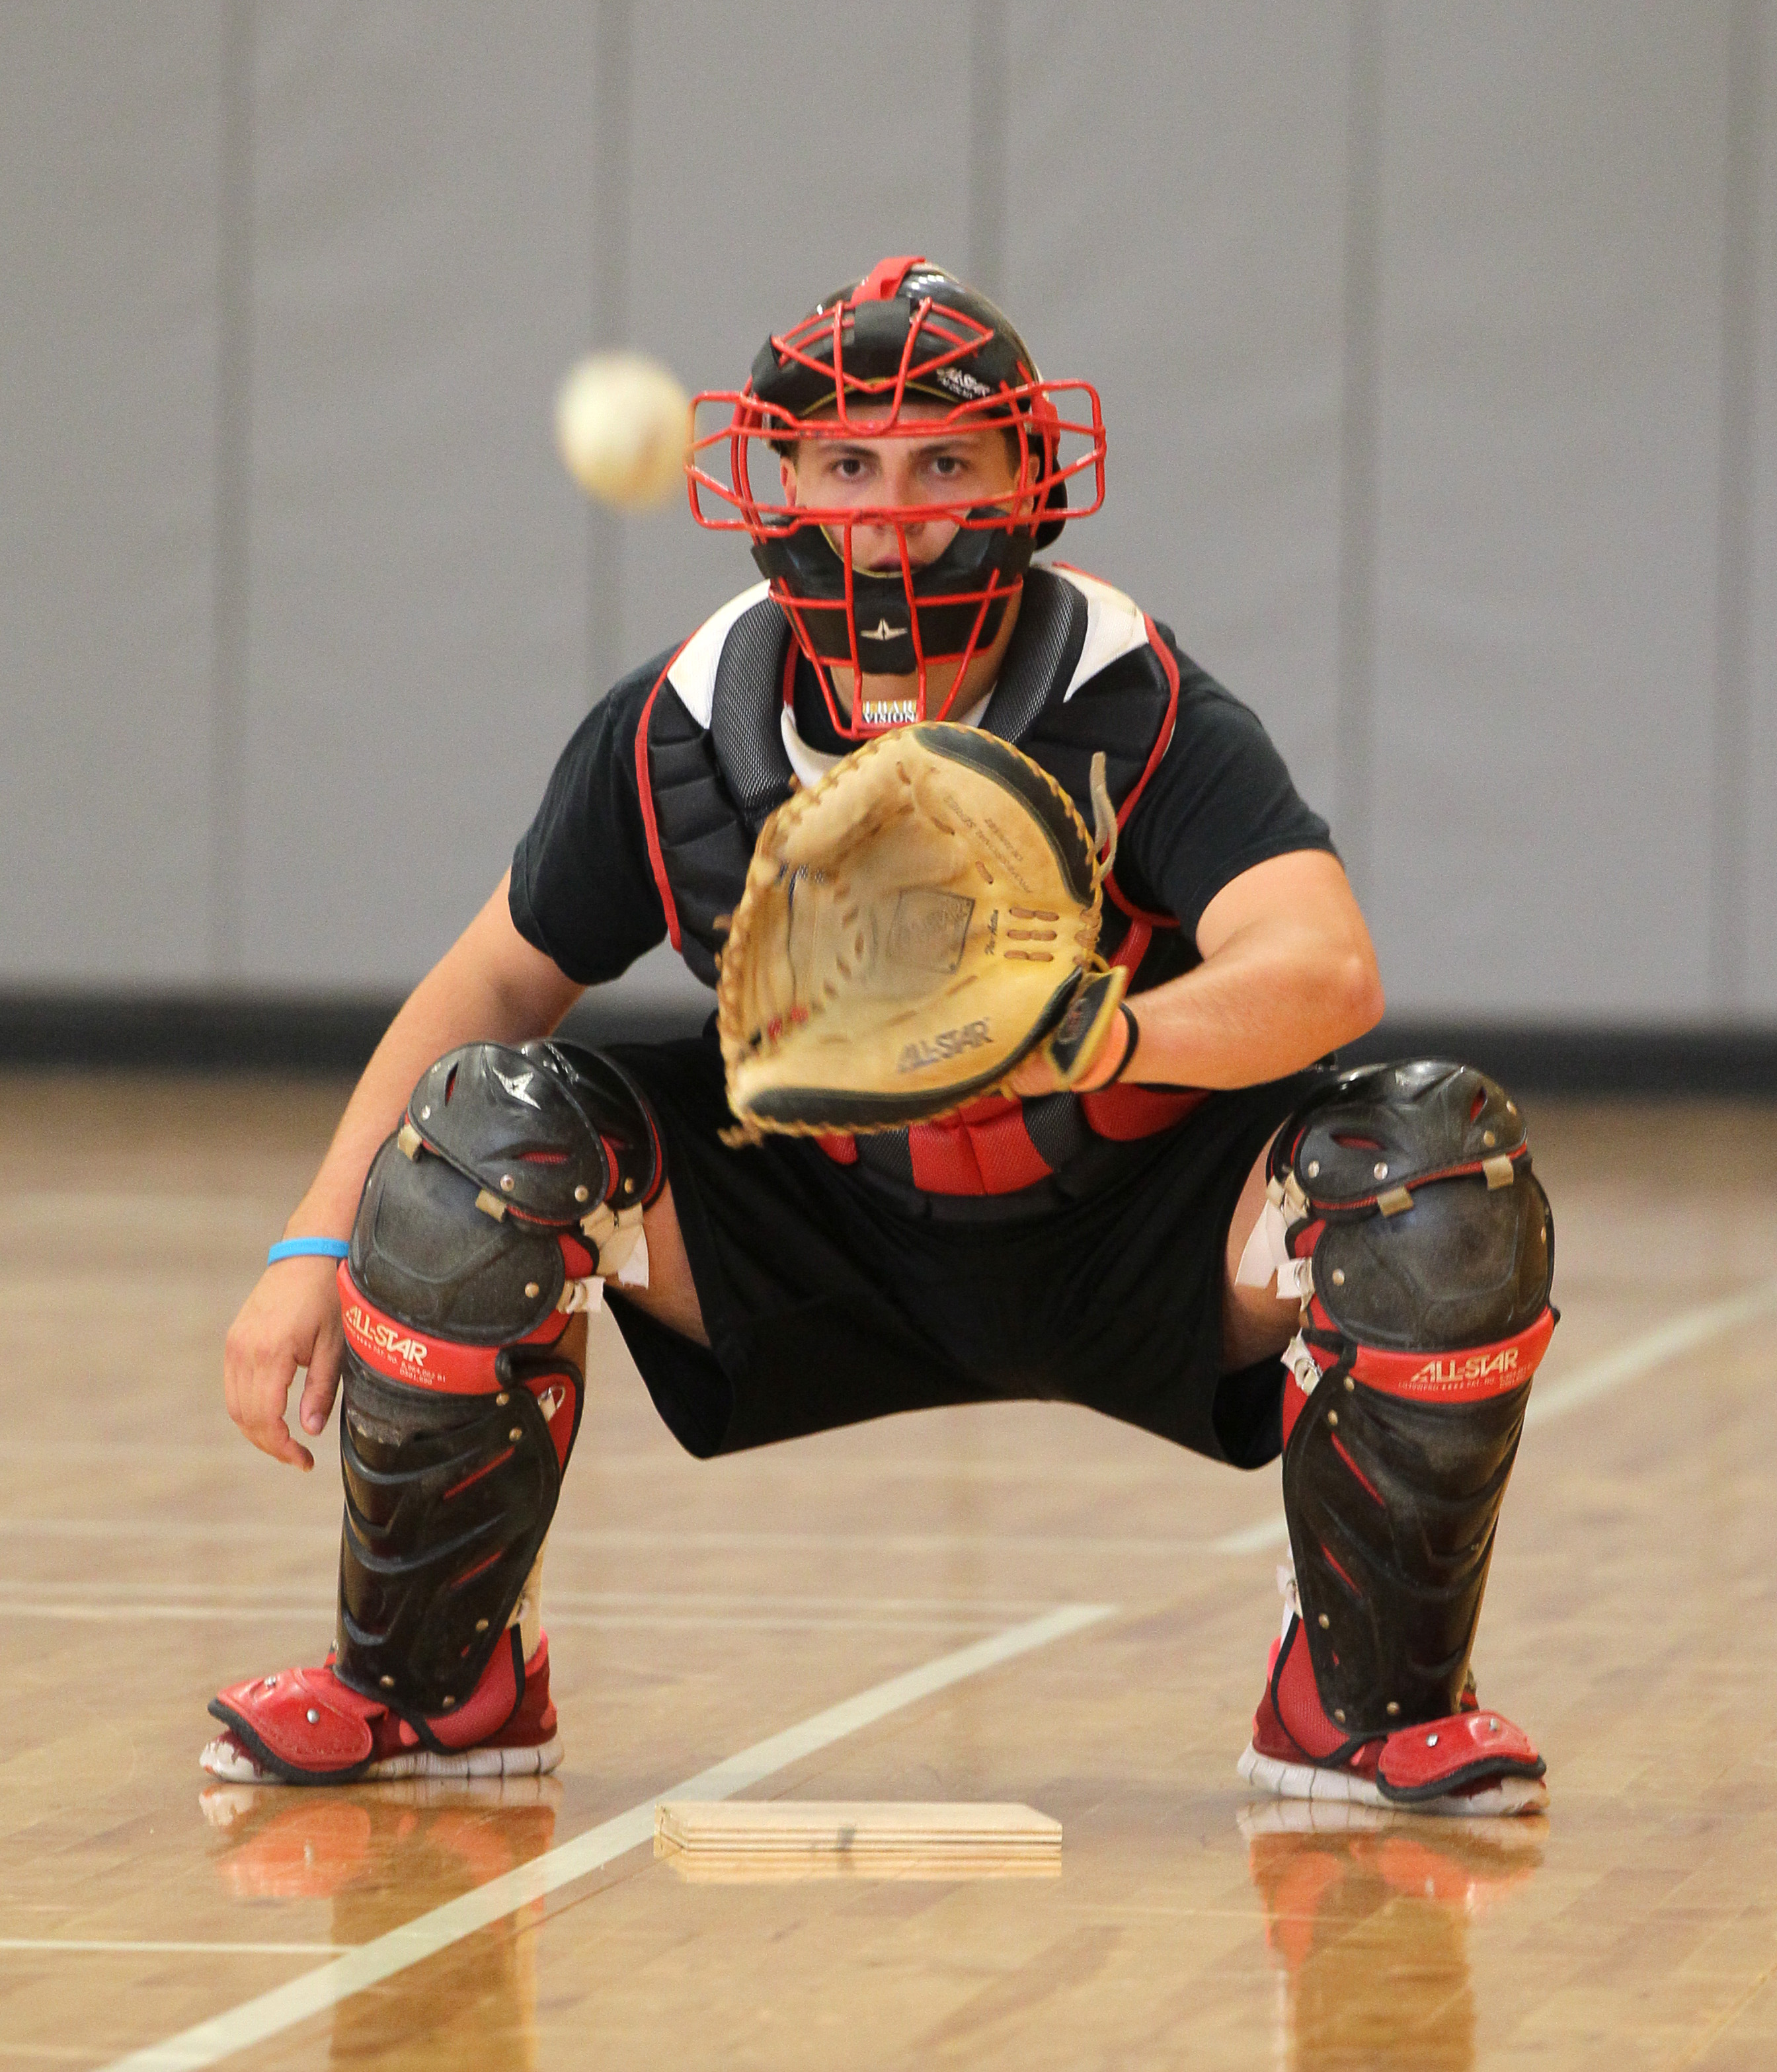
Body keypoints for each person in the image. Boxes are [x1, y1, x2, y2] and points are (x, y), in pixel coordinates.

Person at [205, 257, 1556, 1814]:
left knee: (1435, 1167)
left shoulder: (1139, 700)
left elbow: (1325, 965)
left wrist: (1089, 1040)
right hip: (812, 1229)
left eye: (940, 465)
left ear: (1024, 486)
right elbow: (489, 986)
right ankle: (438, 1688)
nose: (891, 512)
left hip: (1141, 1234)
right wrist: (313, 1246)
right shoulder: (682, 728)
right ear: (778, 488)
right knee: (483, 1138)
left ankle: (1360, 1702)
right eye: (847, 463)